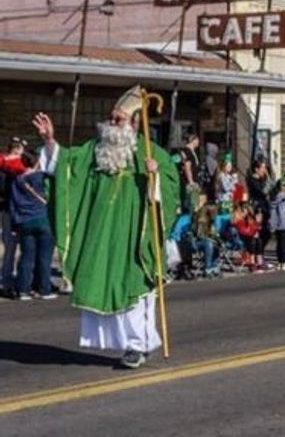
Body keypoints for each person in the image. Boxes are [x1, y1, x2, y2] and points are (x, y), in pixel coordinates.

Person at [34, 87, 180, 370]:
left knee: (133, 288)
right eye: (112, 117)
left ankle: (138, 345)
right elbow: (67, 165)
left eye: (119, 119)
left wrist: (156, 177)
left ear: (136, 123)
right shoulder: (96, 150)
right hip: (101, 237)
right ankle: (126, 345)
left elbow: (173, 194)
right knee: (102, 283)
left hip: (134, 239)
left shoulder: (152, 154)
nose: (112, 123)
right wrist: (50, 141)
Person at [10, 149, 56, 301]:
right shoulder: (41, 177)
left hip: (24, 221)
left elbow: (13, 204)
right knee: (44, 257)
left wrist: (14, 224)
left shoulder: (17, 181)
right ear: (36, 161)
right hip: (43, 219)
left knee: (26, 257)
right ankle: (44, 289)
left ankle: (23, 290)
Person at [0, 137, 27, 298]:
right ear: (17, 150)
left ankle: (8, 280)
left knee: (10, 247)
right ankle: (10, 282)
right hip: (15, 211)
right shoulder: (16, 167)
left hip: (7, 210)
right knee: (15, 247)